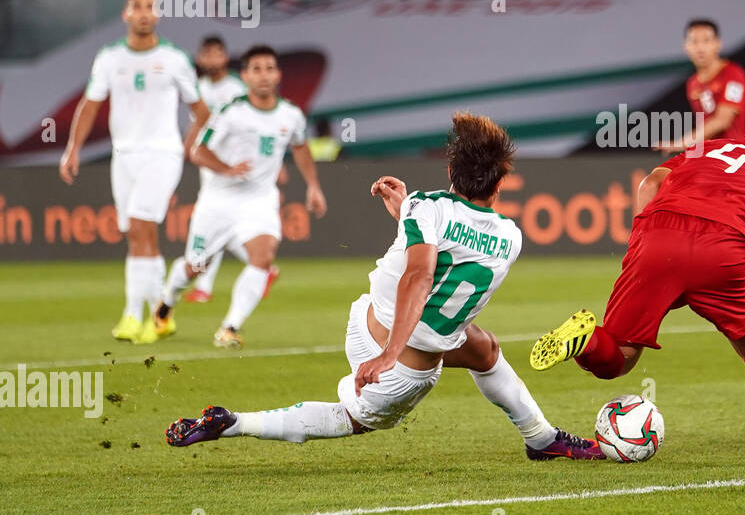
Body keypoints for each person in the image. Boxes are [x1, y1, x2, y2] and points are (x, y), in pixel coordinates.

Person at [167, 113, 602, 462]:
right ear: (502, 182)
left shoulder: (425, 206)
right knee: (347, 419)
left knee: (484, 348)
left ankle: (541, 439)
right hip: (397, 370)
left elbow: (425, 264)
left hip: (368, 322)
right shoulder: (511, 237)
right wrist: (390, 355)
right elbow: (427, 272)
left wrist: (407, 213)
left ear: (451, 170)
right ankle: (235, 421)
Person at [531, 101, 745, 465]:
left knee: (616, 359)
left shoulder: (708, 147)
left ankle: (584, 340)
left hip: (657, 236)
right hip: (722, 251)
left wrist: (645, 240)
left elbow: (650, 183)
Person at [59, 0, 209, 344]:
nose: (143, 13)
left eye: (150, 7)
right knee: (136, 235)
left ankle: (143, 317)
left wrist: (188, 145)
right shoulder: (110, 58)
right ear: (125, 14)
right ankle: (146, 316)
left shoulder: (174, 58)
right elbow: (90, 105)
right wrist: (72, 149)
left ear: (157, 15)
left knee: (142, 225)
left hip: (161, 154)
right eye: (136, 7)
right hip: (123, 156)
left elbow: (201, 111)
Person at [155, 45, 324, 349]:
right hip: (218, 201)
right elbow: (197, 151)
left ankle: (229, 327)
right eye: (256, 69)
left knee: (264, 256)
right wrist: (227, 169)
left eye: (269, 69)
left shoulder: (291, 114)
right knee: (195, 267)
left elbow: (299, 146)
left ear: (278, 74)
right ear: (244, 75)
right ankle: (167, 300)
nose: (264, 75)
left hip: (259, 200)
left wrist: (313, 185)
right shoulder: (231, 112)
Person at [658, 19, 745, 321]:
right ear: (686, 47)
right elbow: (706, 127)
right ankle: (695, 291)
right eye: (695, 41)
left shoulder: (733, 74)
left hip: (737, 165)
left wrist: (683, 142)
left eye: (707, 40)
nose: (701, 47)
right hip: (709, 166)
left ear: (718, 44)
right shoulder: (693, 84)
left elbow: (723, 118)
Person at [183, 36, 282, 306]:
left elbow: (265, 123)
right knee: (220, 225)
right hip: (212, 161)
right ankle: (261, 268)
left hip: (238, 166)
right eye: (208, 54)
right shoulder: (199, 87)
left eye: (218, 53)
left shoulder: (238, 86)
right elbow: (199, 123)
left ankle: (203, 285)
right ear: (201, 58)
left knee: (216, 223)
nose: (213, 58)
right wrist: (191, 144)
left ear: (226, 58)